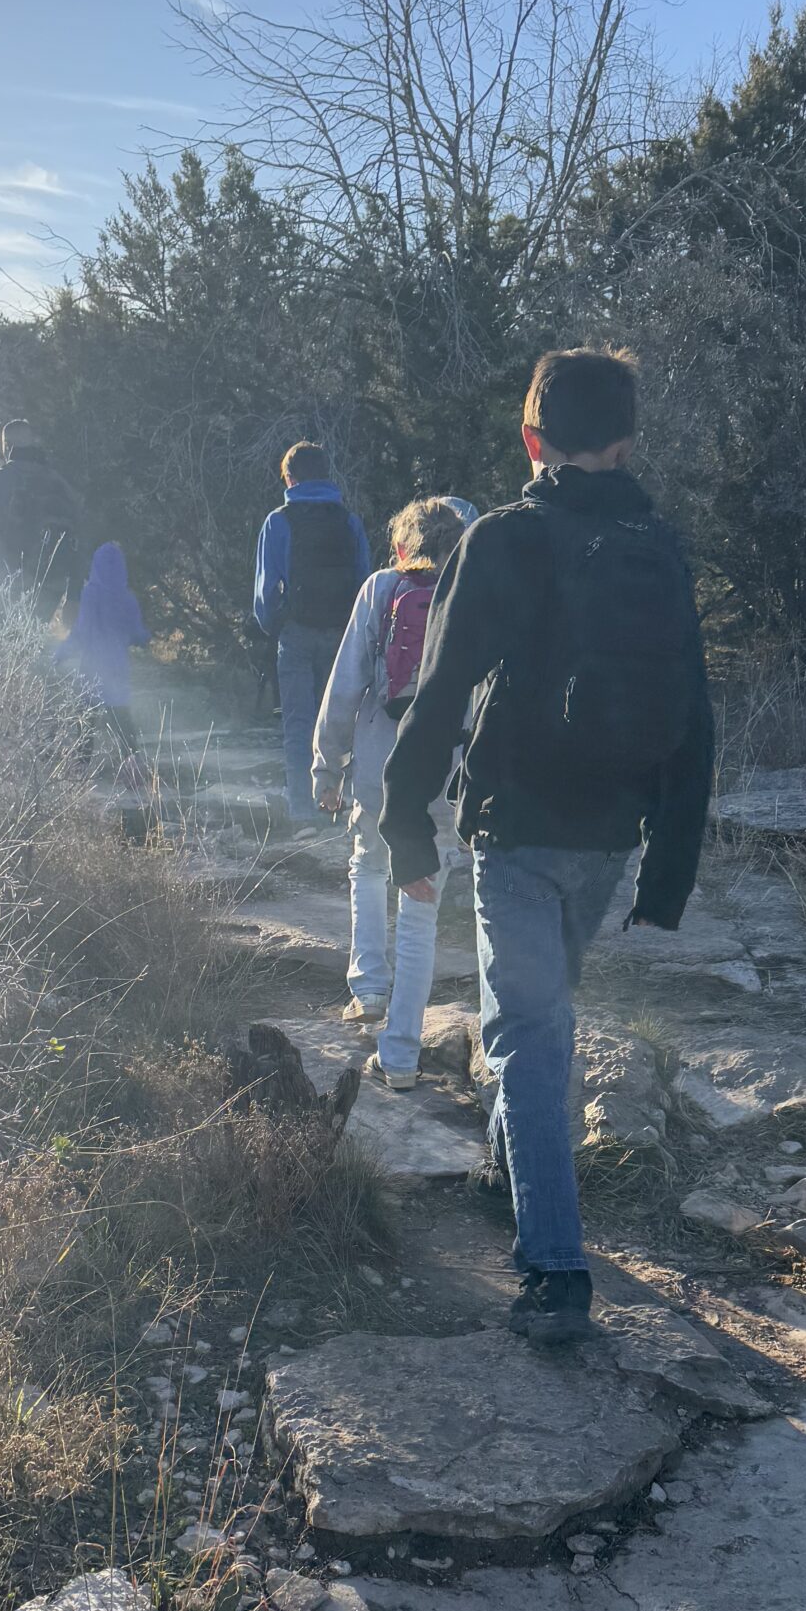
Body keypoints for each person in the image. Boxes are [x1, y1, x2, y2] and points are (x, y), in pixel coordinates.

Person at [380, 349, 714, 1346]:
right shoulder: (660, 546)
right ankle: (513, 1169)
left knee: (527, 1034)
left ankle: (557, 1271)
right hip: (611, 834)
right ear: (624, 443)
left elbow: (441, 690)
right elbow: (695, 715)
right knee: (537, 1017)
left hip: (518, 822)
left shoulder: (504, 541)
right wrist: (667, 875)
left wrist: (406, 821)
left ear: (531, 440)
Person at [312, 496, 472, 1089]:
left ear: (402, 547)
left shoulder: (381, 588)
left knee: (369, 865)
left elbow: (345, 681)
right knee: (422, 912)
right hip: (444, 775)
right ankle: (401, 1058)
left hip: (380, 768)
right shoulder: (473, 593)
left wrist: (326, 767)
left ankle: (368, 989)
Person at [252, 441, 371, 828]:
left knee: (299, 725)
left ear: (289, 478)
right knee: (341, 723)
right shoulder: (348, 521)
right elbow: (364, 581)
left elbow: (267, 591)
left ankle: (303, 814)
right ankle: (345, 809)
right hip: (341, 636)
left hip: (298, 634)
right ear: (325, 474)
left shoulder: (279, 521)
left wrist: (276, 626)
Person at [0, 419, 81, 615]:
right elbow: (76, 539)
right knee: (35, 638)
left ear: (7, 447)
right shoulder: (58, 482)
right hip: (51, 583)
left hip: (10, 579)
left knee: (11, 637)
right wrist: (74, 596)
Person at [56, 540, 149, 768]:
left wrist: (61, 653)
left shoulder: (91, 595)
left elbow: (81, 632)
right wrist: (144, 638)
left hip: (92, 669)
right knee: (123, 723)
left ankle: (80, 772)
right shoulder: (127, 598)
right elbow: (137, 633)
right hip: (117, 669)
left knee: (85, 725)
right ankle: (134, 769)